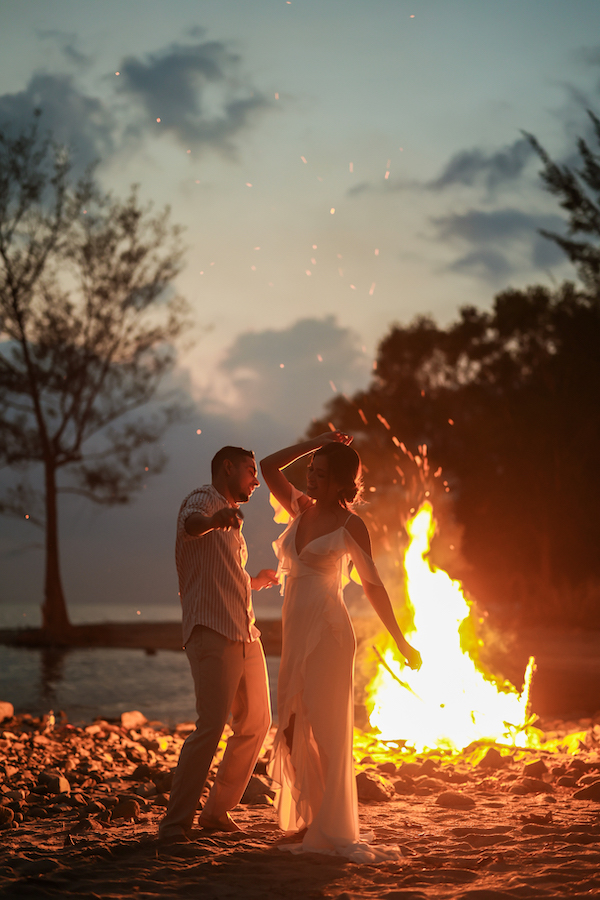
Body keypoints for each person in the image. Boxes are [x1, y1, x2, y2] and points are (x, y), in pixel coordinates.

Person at [260, 432, 421, 860]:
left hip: (329, 634)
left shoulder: (351, 525)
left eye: (320, 474)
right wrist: (317, 442)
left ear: (341, 484)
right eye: (311, 471)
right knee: (293, 727)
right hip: (295, 634)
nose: (311, 478)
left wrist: (401, 640)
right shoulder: (299, 508)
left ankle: (329, 824)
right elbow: (269, 466)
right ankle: (312, 814)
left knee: (326, 729)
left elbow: (372, 585)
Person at [159, 446, 277, 842]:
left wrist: (256, 580)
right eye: (250, 471)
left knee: (258, 723)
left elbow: (227, 577)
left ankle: (216, 812)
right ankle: (174, 826)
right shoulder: (202, 500)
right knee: (210, 727)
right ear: (227, 468)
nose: (256, 481)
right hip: (211, 632)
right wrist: (214, 520)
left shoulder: (233, 525)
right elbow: (193, 525)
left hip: (245, 633)